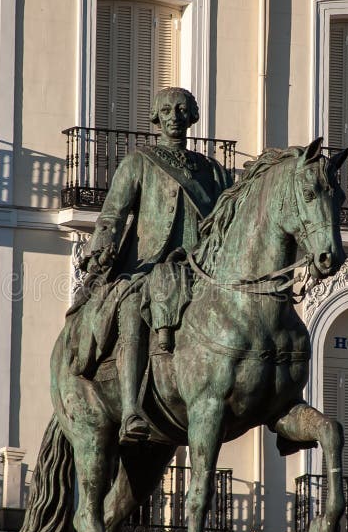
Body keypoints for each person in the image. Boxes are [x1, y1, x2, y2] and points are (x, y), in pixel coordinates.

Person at [71, 87, 232, 444]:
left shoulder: (212, 172)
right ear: (156, 119)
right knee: (132, 308)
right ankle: (131, 409)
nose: (174, 116)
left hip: (201, 268)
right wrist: (101, 247)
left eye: (181, 109)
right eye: (167, 110)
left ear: (192, 117)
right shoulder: (139, 163)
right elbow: (112, 215)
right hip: (150, 266)